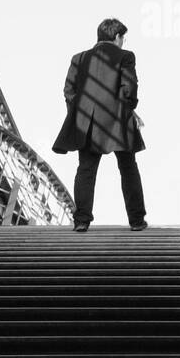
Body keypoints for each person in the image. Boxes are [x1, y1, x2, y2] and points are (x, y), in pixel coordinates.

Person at [52, 18, 148, 232]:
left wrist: (79, 113)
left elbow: (69, 90)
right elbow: (129, 88)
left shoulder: (79, 58)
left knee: (86, 169)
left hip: (86, 121)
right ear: (117, 37)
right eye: (123, 38)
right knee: (128, 168)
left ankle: (82, 220)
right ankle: (136, 220)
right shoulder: (125, 56)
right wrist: (128, 110)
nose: (123, 42)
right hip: (118, 122)